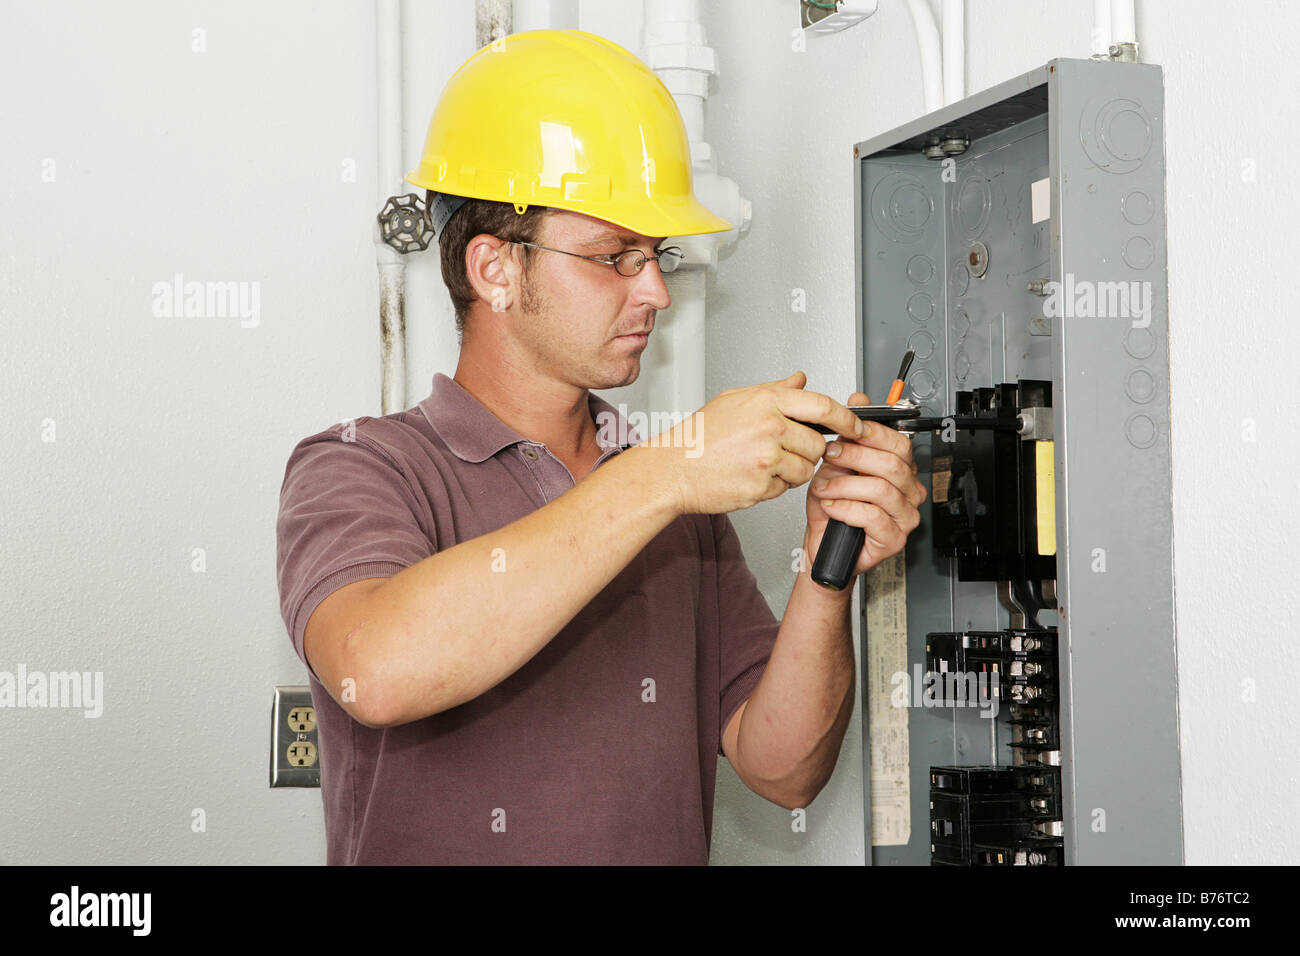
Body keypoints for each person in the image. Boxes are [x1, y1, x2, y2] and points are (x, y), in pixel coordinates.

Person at [275, 29, 925, 865]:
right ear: (495, 270)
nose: (654, 290)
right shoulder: (362, 467)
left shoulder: (677, 505)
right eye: (615, 256)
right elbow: (380, 670)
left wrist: (829, 564)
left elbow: (782, 769)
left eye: (657, 256)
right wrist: (668, 474)